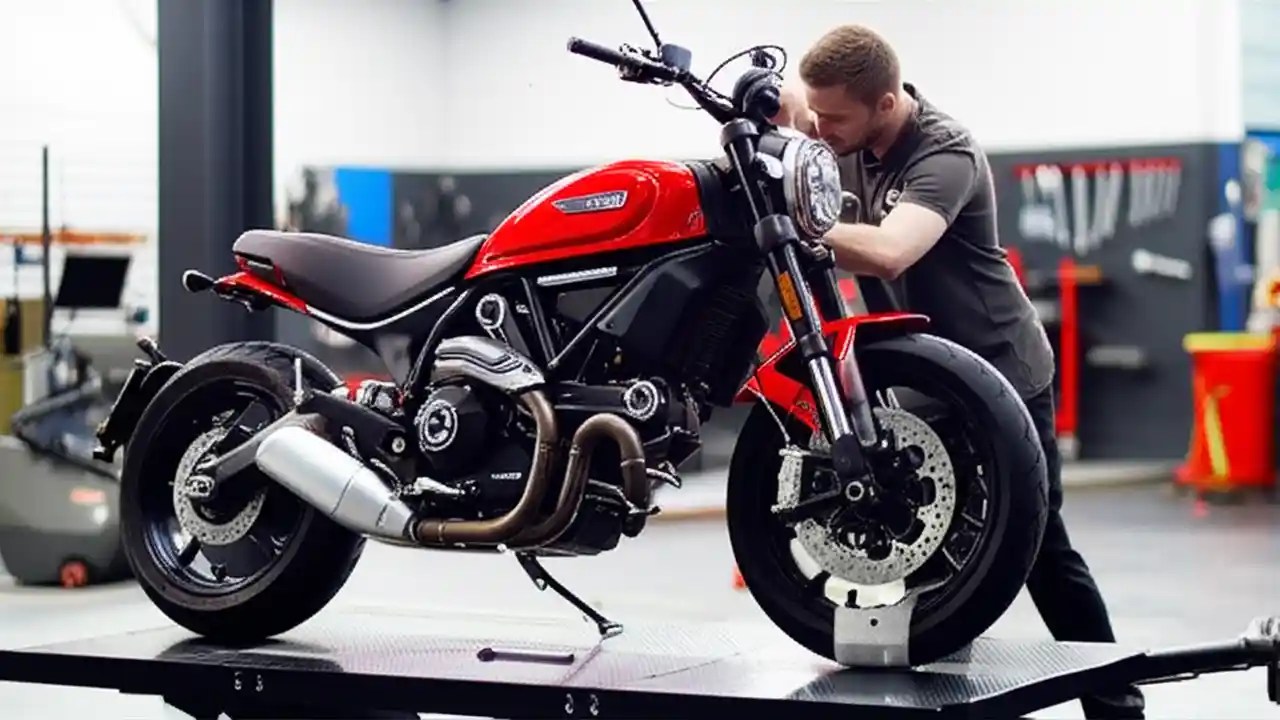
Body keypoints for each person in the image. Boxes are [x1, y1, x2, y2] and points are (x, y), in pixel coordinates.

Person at [773, 25, 1146, 720]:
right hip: (928, 383)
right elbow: (791, 104)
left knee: (1036, 546)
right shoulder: (843, 131)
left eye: (834, 118)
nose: (818, 132)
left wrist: (794, 222)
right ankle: (945, 704)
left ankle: (1116, 705)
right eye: (816, 116)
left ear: (885, 103)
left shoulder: (945, 151)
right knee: (934, 551)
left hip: (1003, 374)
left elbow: (889, 253)